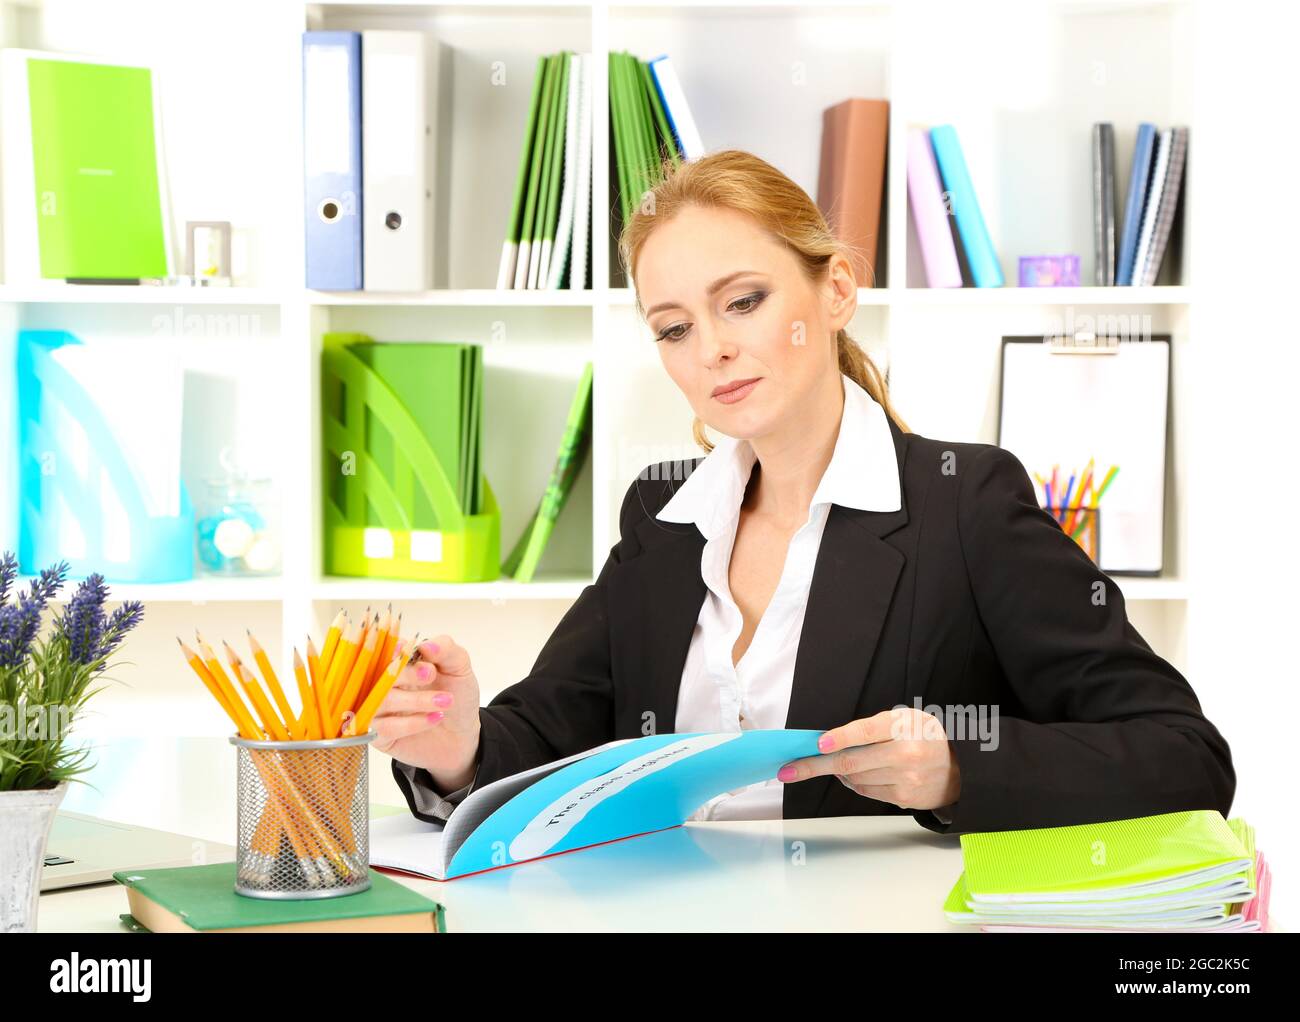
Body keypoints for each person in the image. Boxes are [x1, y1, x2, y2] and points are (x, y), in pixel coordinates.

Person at [375, 149, 1234, 835]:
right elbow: (550, 733)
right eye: (673, 327)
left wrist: (959, 768)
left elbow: (1185, 753)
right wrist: (459, 748)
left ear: (835, 291)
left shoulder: (962, 505)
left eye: (743, 301)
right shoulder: (663, 516)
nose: (710, 348)